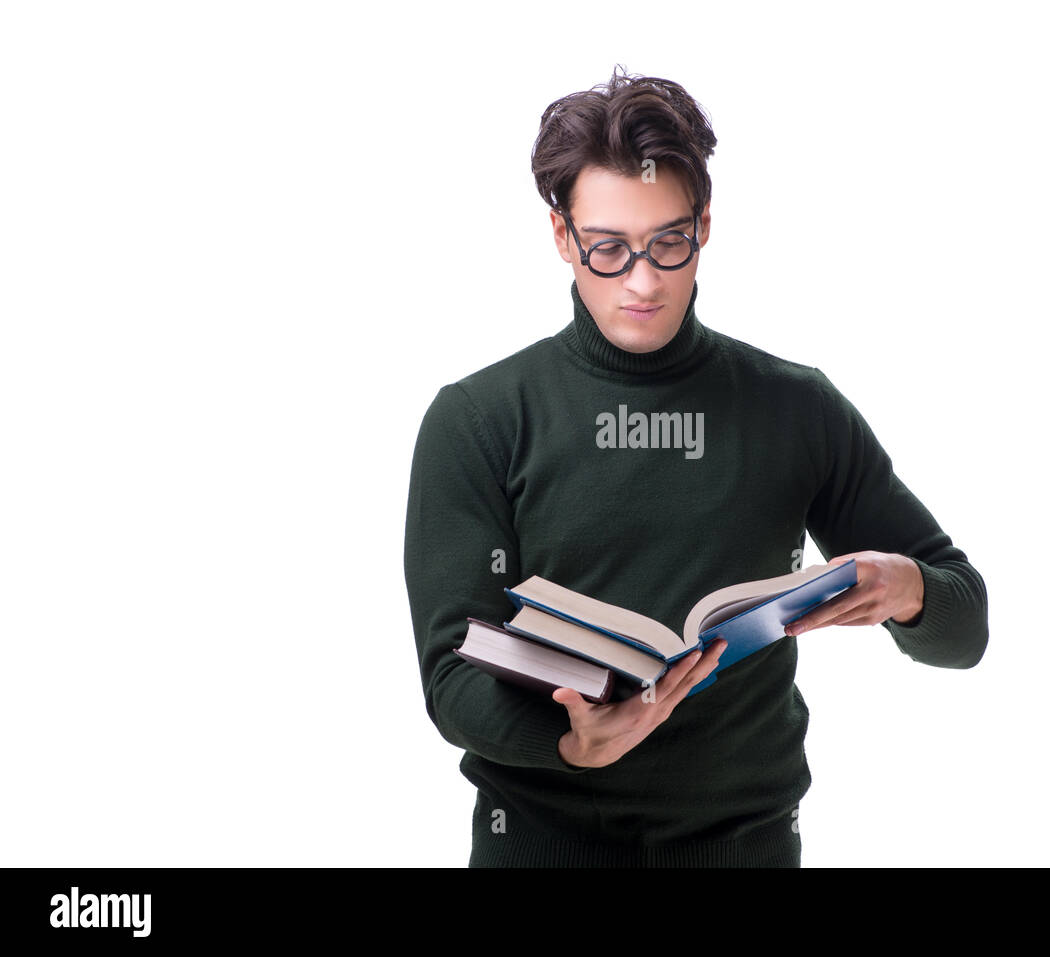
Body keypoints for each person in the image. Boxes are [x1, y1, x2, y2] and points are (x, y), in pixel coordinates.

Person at [403, 66, 989, 867]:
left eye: (667, 242)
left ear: (705, 224)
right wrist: (574, 743)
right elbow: (451, 674)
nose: (642, 281)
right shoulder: (479, 419)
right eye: (607, 248)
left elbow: (965, 625)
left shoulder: (797, 407)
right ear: (560, 236)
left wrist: (910, 589)